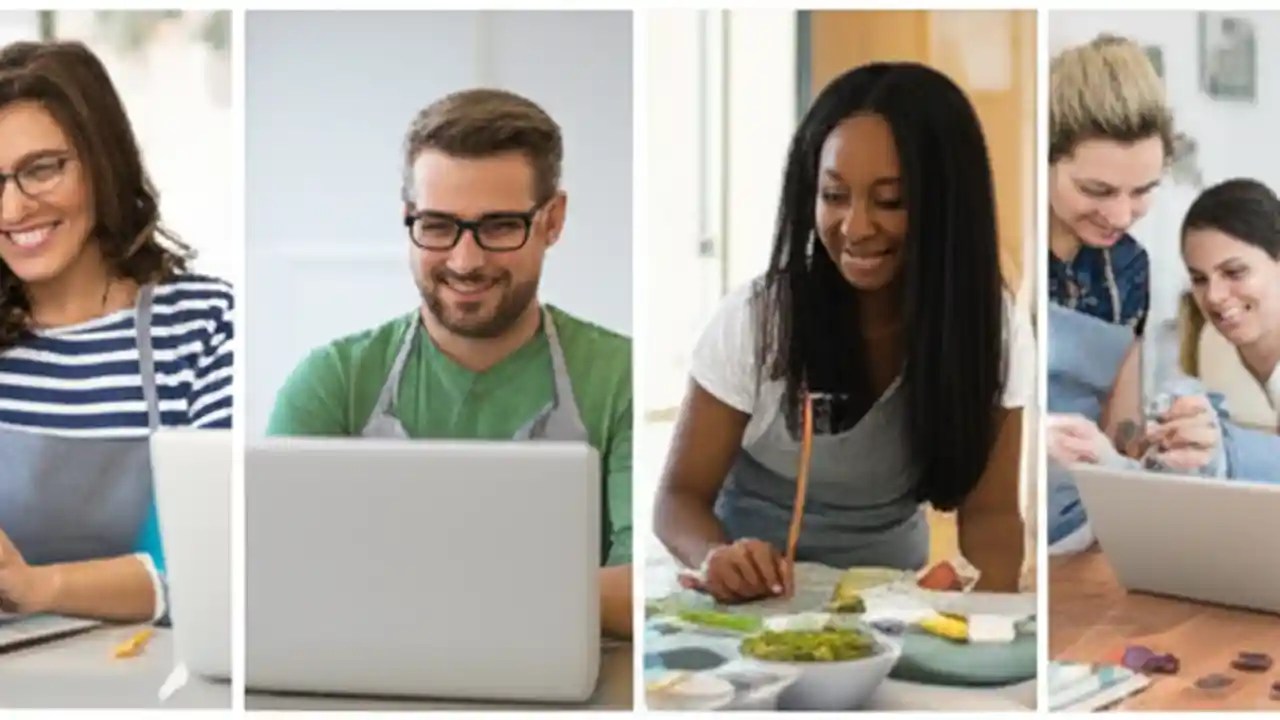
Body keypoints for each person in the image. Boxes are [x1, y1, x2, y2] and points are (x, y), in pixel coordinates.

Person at [652, 62, 1034, 602]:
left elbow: (993, 515)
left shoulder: (992, 326)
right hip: (750, 604)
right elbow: (678, 498)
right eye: (833, 196)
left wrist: (993, 618)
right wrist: (715, 556)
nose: (855, 228)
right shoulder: (758, 319)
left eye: (889, 201)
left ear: (947, 208)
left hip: (895, 603)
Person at [266, 88, 633, 639]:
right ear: (408, 218)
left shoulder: (619, 375)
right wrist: (539, 594)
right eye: (437, 226)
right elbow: (272, 575)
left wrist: (409, 592)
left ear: (552, 221)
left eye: (500, 227)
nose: (466, 261)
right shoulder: (332, 381)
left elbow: (636, 594)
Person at [0, 41, 234, 622]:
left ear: (102, 161)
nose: (12, 209)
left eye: (41, 169)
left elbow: (223, 570)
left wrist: (40, 587)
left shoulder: (203, 327)